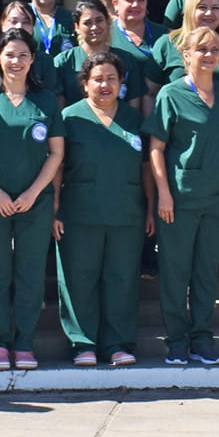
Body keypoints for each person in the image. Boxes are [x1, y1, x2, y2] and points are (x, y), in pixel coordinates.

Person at [0, 28, 65, 370]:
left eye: (23, 55)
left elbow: (55, 153)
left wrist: (33, 193)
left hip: (34, 203)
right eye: (10, 55)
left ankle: (24, 344)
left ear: (33, 59)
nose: (16, 61)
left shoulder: (46, 101)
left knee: (30, 273)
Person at [147, 26, 219, 364]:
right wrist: (164, 194)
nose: (209, 55)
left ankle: (202, 338)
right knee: (175, 272)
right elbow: (156, 148)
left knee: (206, 271)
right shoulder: (171, 95)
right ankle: (176, 340)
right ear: (185, 55)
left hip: (217, 197)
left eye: (215, 50)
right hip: (181, 199)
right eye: (201, 49)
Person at [56, 52, 152, 366]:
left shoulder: (133, 119)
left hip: (127, 213)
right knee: (79, 278)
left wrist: (150, 208)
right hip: (79, 213)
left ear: (122, 83)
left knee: (122, 278)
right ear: (85, 84)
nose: (105, 84)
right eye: (98, 78)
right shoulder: (70, 117)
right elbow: (56, 166)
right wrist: (54, 209)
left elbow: (146, 168)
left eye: (112, 78)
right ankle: (82, 343)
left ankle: (117, 343)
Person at [55, 0, 146, 108]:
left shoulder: (126, 59)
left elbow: (134, 100)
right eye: (87, 23)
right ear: (77, 27)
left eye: (99, 20)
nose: (94, 27)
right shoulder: (64, 61)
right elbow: (59, 104)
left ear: (107, 23)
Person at [153, 0, 219, 88]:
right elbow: (150, 93)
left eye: (215, 8)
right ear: (190, 10)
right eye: (202, 7)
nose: (209, 13)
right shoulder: (166, 44)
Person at [108, 0, 164, 91]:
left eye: (141, 0)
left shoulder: (163, 34)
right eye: (129, 0)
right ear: (115, 4)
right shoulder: (105, 35)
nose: (135, 5)